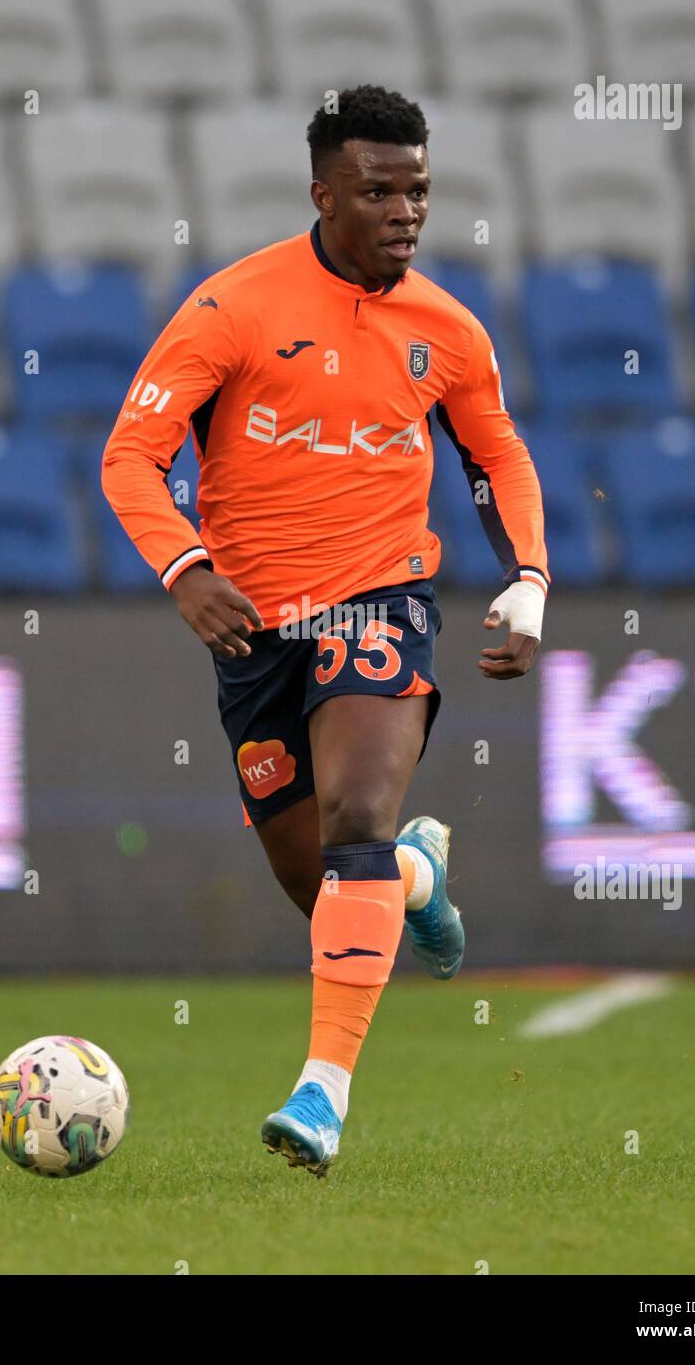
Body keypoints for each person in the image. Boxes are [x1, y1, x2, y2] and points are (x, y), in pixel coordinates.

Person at [102, 85, 549, 1176]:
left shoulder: (446, 329)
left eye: (419, 192)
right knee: (326, 888)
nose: (404, 212)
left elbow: (497, 455)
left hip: (380, 597)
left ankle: (322, 1094)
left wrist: (530, 574)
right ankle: (417, 878)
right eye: (378, 191)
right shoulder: (232, 310)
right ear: (324, 194)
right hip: (253, 628)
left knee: (354, 816)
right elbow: (129, 456)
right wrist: (186, 569)